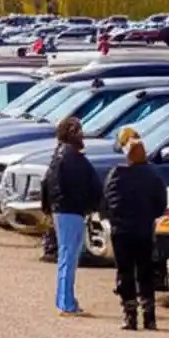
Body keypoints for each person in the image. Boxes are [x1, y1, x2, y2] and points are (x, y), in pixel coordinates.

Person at [102, 129, 168, 331]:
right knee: (145, 272)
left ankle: (129, 315)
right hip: (143, 230)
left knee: (125, 272)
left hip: (121, 231)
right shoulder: (153, 175)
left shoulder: (116, 174)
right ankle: (149, 317)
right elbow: (161, 204)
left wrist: (115, 219)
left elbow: (107, 202)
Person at [42, 116, 101, 317]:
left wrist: (49, 207)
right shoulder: (74, 158)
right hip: (71, 211)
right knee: (69, 256)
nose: (81, 134)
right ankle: (66, 302)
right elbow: (89, 186)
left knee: (66, 255)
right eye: (78, 130)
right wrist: (91, 205)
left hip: (62, 210)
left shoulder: (59, 155)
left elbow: (47, 183)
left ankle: (65, 299)